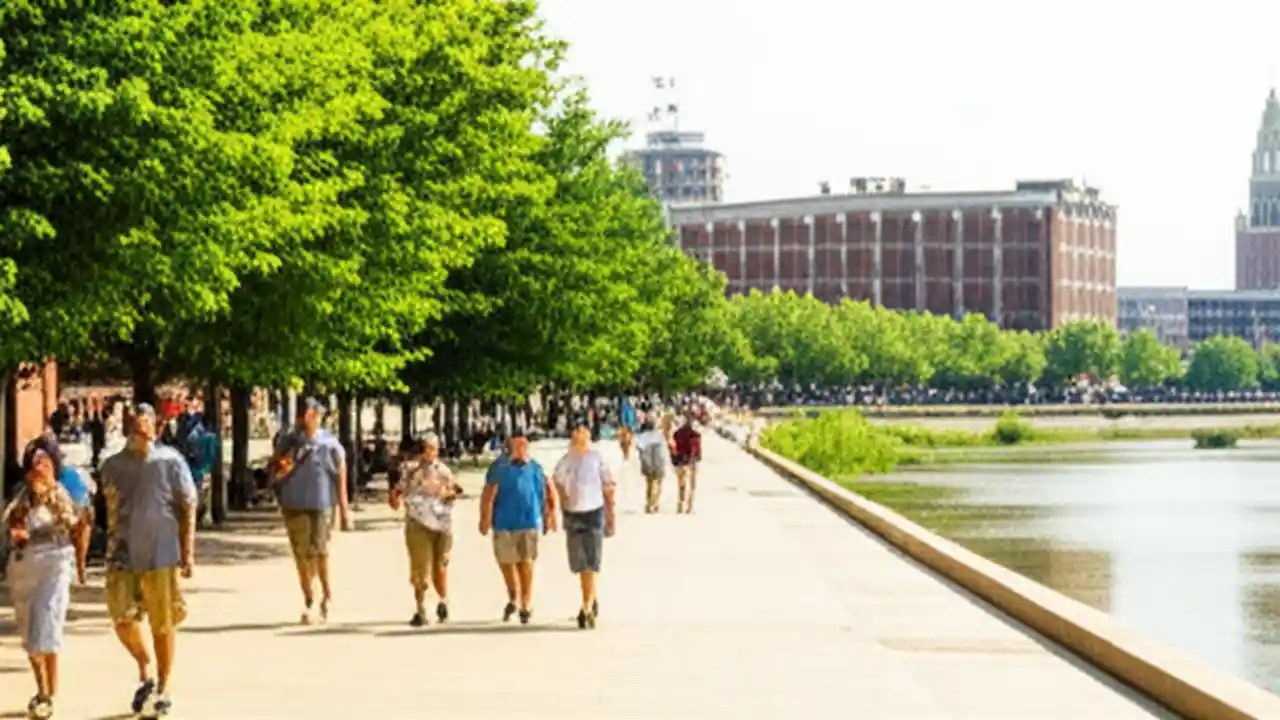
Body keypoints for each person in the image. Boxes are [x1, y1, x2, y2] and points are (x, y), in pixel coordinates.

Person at [99, 403, 197, 718]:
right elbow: (108, 509)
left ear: (157, 426)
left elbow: (187, 505)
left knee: (163, 622)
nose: (143, 429)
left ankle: (164, 688)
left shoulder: (171, 461)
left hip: (162, 551)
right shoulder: (112, 465)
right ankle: (144, 663)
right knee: (121, 617)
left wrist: (188, 550)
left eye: (148, 423)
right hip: (122, 553)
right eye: (137, 424)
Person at [3, 436, 90, 719]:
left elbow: (77, 525)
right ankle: (45, 689)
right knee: (31, 633)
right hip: (25, 568)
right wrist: (18, 532)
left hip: (55, 565)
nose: (39, 468)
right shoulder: (20, 497)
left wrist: (80, 565)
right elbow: (12, 525)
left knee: (47, 625)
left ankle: (45, 693)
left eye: (44, 462)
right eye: (34, 463)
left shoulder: (63, 495)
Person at [270, 398, 351, 625]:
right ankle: (309, 598)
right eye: (303, 414)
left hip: (322, 503)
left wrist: (344, 508)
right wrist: (280, 468)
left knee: (321, 551)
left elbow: (340, 472)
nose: (306, 419)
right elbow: (274, 468)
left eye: (310, 414)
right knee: (301, 553)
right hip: (293, 503)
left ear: (317, 416)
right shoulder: (287, 440)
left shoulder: (329, 443)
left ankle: (327, 595)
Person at [478, 432, 556, 624]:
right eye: (518, 445)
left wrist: (549, 516)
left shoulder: (535, 468)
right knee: (506, 562)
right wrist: (484, 519)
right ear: (510, 447)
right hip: (503, 523)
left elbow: (547, 491)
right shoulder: (499, 468)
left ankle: (526, 603)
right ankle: (513, 595)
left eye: (524, 445)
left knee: (526, 562)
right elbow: (488, 494)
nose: (522, 449)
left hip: (528, 523)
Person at [389, 433, 460, 627]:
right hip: (418, 523)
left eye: (434, 448)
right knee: (420, 567)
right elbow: (398, 491)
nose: (430, 452)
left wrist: (447, 493)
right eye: (426, 447)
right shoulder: (410, 471)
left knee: (440, 566)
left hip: (442, 524)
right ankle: (421, 609)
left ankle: (443, 601)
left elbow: (454, 491)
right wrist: (395, 498)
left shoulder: (444, 471)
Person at [552, 422, 616, 629]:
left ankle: (586, 606)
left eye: (582, 431)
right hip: (573, 512)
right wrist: (562, 500)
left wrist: (610, 515)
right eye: (576, 431)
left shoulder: (597, 458)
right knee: (579, 562)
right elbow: (557, 481)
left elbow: (608, 487)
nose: (578, 435)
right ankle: (591, 596)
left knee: (592, 560)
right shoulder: (566, 460)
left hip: (594, 511)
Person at [635, 419, 670, 514]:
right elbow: (664, 450)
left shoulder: (640, 437)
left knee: (649, 484)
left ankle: (649, 503)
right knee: (658, 483)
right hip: (658, 462)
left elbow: (639, 450)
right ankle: (655, 503)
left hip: (647, 463)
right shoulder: (659, 436)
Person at [672, 413, 703, 514]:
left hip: (681, 461)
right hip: (691, 461)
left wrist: (674, 461)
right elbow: (698, 450)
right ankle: (689, 507)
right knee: (691, 486)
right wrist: (698, 457)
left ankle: (681, 504)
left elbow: (674, 448)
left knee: (682, 485)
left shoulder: (677, 434)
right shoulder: (696, 435)